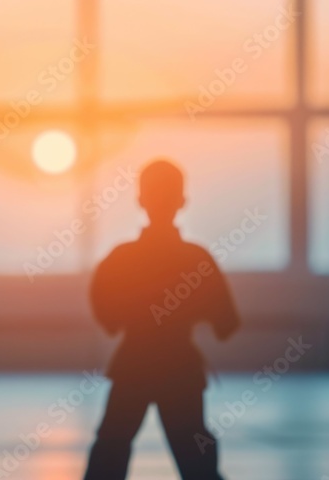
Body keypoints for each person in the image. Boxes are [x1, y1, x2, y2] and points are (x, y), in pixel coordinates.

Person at [84, 159, 240, 480]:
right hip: (180, 369)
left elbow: (105, 311)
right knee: (196, 459)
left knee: (110, 450)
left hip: (133, 365)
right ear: (182, 202)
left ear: (141, 201)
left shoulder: (120, 260)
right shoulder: (198, 260)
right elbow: (227, 323)